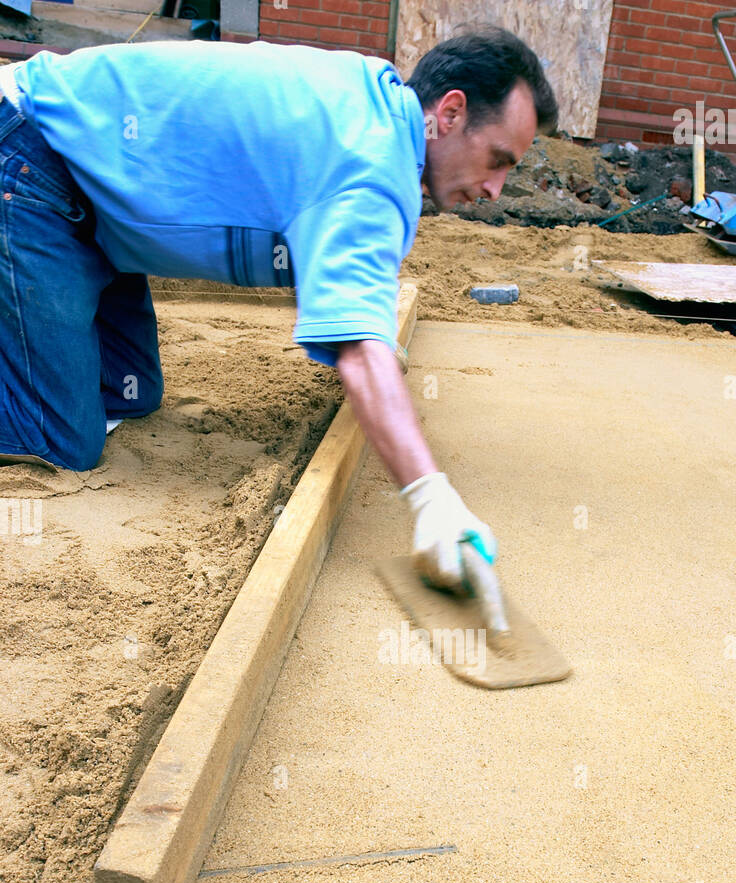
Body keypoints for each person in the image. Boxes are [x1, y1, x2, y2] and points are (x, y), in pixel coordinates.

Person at [0, 27, 557, 590]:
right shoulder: (371, 165)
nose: (496, 190)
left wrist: (374, 344)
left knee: (129, 394)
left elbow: (329, 267)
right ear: (452, 111)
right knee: (57, 441)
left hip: (98, 208)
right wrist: (431, 498)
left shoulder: (372, 104)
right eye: (497, 159)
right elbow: (358, 349)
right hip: (31, 157)